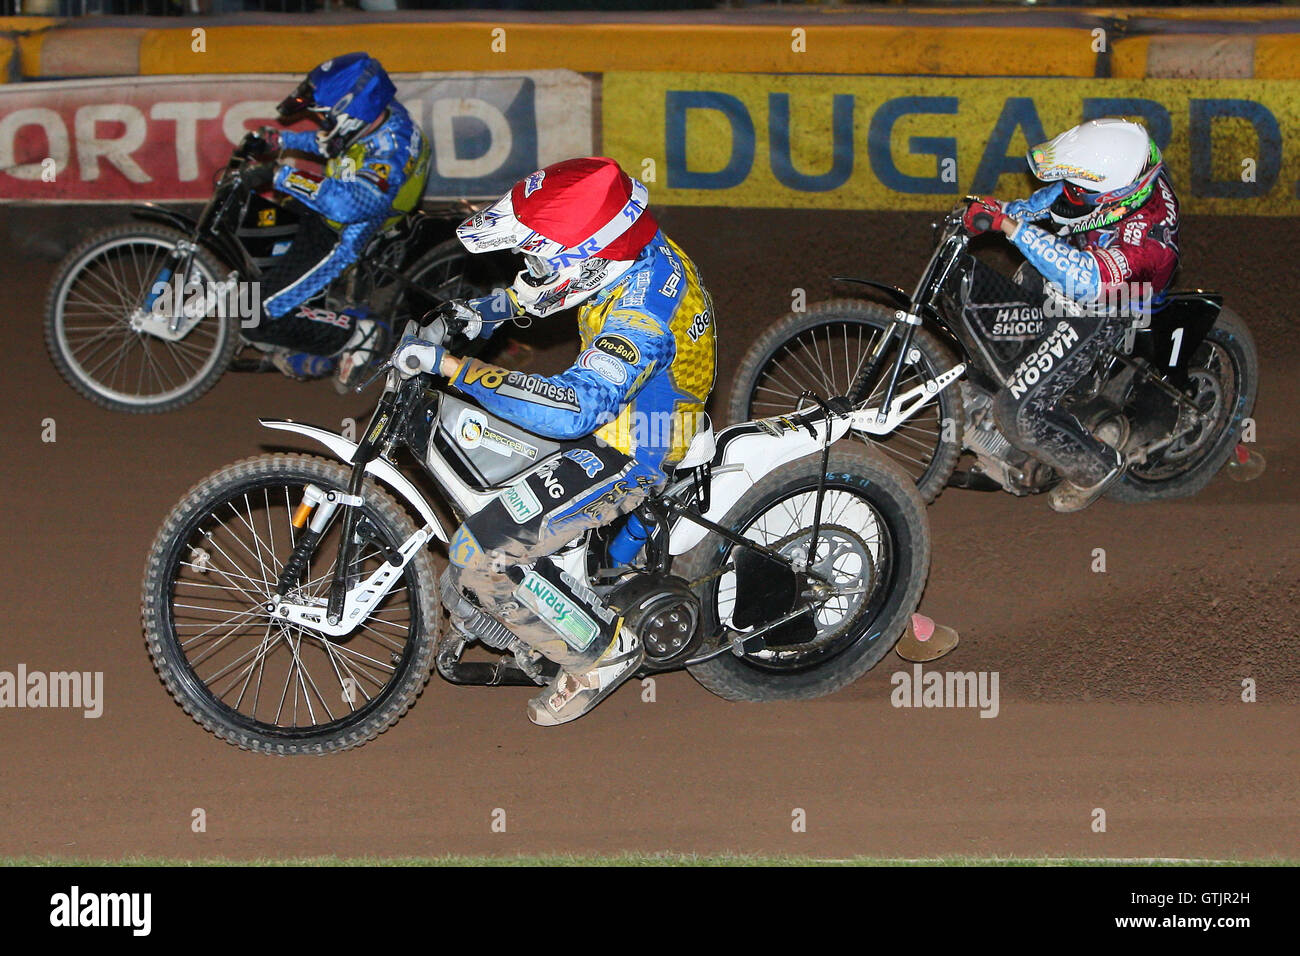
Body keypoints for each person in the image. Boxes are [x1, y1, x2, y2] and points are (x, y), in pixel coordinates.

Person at [395, 157, 717, 725]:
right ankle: (563, 585)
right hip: (616, 408)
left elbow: (573, 409)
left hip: (637, 441)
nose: (528, 265)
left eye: (537, 255)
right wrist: (485, 310)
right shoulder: (625, 242)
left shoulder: (642, 316)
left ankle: (601, 654)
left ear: (587, 255)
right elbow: (549, 285)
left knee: (479, 557)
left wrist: (457, 368)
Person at [961, 117, 1181, 512]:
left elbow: (1086, 281)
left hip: (1112, 304)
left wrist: (1010, 226)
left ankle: (1095, 466)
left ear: (1114, 197)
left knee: (1018, 411)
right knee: (1003, 315)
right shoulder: (1121, 176)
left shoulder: (1146, 244)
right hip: (1085, 270)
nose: (1072, 192)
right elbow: (1058, 199)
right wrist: (1005, 211)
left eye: (1083, 188)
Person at [241, 52, 430, 389]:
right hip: (325, 210)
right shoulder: (376, 114)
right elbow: (330, 142)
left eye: (327, 116)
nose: (323, 122)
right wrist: (281, 140)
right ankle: (303, 322)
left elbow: (348, 206)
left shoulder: (392, 151)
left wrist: (281, 175)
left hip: (344, 234)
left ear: (350, 111)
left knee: (256, 315)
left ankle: (359, 332)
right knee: (255, 238)